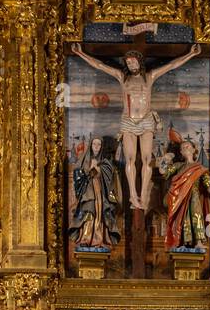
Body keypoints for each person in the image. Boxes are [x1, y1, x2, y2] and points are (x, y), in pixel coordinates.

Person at [71, 42, 203, 211]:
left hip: (146, 120)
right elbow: (100, 65)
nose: (131, 65)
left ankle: (143, 193)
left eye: (133, 62)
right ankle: (133, 195)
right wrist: (81, 53)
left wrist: (190, 54)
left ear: (140, 62)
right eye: (128, 63)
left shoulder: (149, 77)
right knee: (130, 159)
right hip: (128, 120)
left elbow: (171, 65)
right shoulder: (122, 77)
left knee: (148, 160)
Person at [163, 137, 210, 249]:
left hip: (194, 195)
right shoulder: (178, 166)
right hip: (179, 197)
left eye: (188, 146)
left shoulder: (199, 168)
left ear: (193, 149)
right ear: (181, 152)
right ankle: (181, 241)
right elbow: (164, 173)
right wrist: (165, 160)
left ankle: (199, 241)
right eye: (183, 147)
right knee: (181, 218)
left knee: (197, 215)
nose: (186, 148)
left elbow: (207, 181)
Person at [70, 134, 121, 249]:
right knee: (88, 211)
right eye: (94, 144)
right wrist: (88, 171)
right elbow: (77, 174)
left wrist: (99, 170)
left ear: (101, 146)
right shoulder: (84, 160)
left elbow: (109, 177)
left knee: (99, 213)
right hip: (87, 192)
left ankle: (99, 238)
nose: (96, 147)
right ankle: (85, 237)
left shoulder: (105, 162)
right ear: (91, 145)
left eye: (99, 144)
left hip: (100, 191)